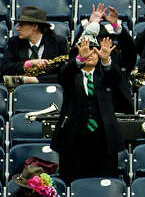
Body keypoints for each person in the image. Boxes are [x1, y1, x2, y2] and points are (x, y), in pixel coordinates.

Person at [51, 34, 124, 183]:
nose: (90, 53)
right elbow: (64, 75)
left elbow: (116, 77)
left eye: (94, 50)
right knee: (73, 180)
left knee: (104, 180)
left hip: (104, 138)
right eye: (87, 50)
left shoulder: (105, 75)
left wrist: (106, 60)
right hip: (74, 138)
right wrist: (79, 59)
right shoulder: (71, 76)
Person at [1, 5, 70, 86]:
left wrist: (35, 80)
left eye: (22, 24)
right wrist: (29, 63)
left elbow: (64, 73)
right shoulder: (14, 42)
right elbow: (5, 68)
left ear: (35, 26)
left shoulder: (58, 42)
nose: (17, 28)